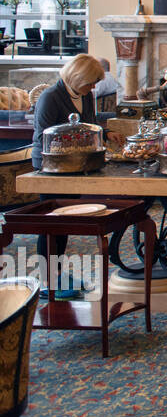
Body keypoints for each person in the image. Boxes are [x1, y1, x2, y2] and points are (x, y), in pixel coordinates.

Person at [30, 55, 116, 298]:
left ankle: (57, 274)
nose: (94, 88)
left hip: (77, 165)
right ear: (79, 78)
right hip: (50, 168)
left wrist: (106, 133)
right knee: (51, 225)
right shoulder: (50, 97)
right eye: (91, 82)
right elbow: (41, 138)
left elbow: (89, 124)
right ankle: (47, 280)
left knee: (64, 223)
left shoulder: (86, 96)